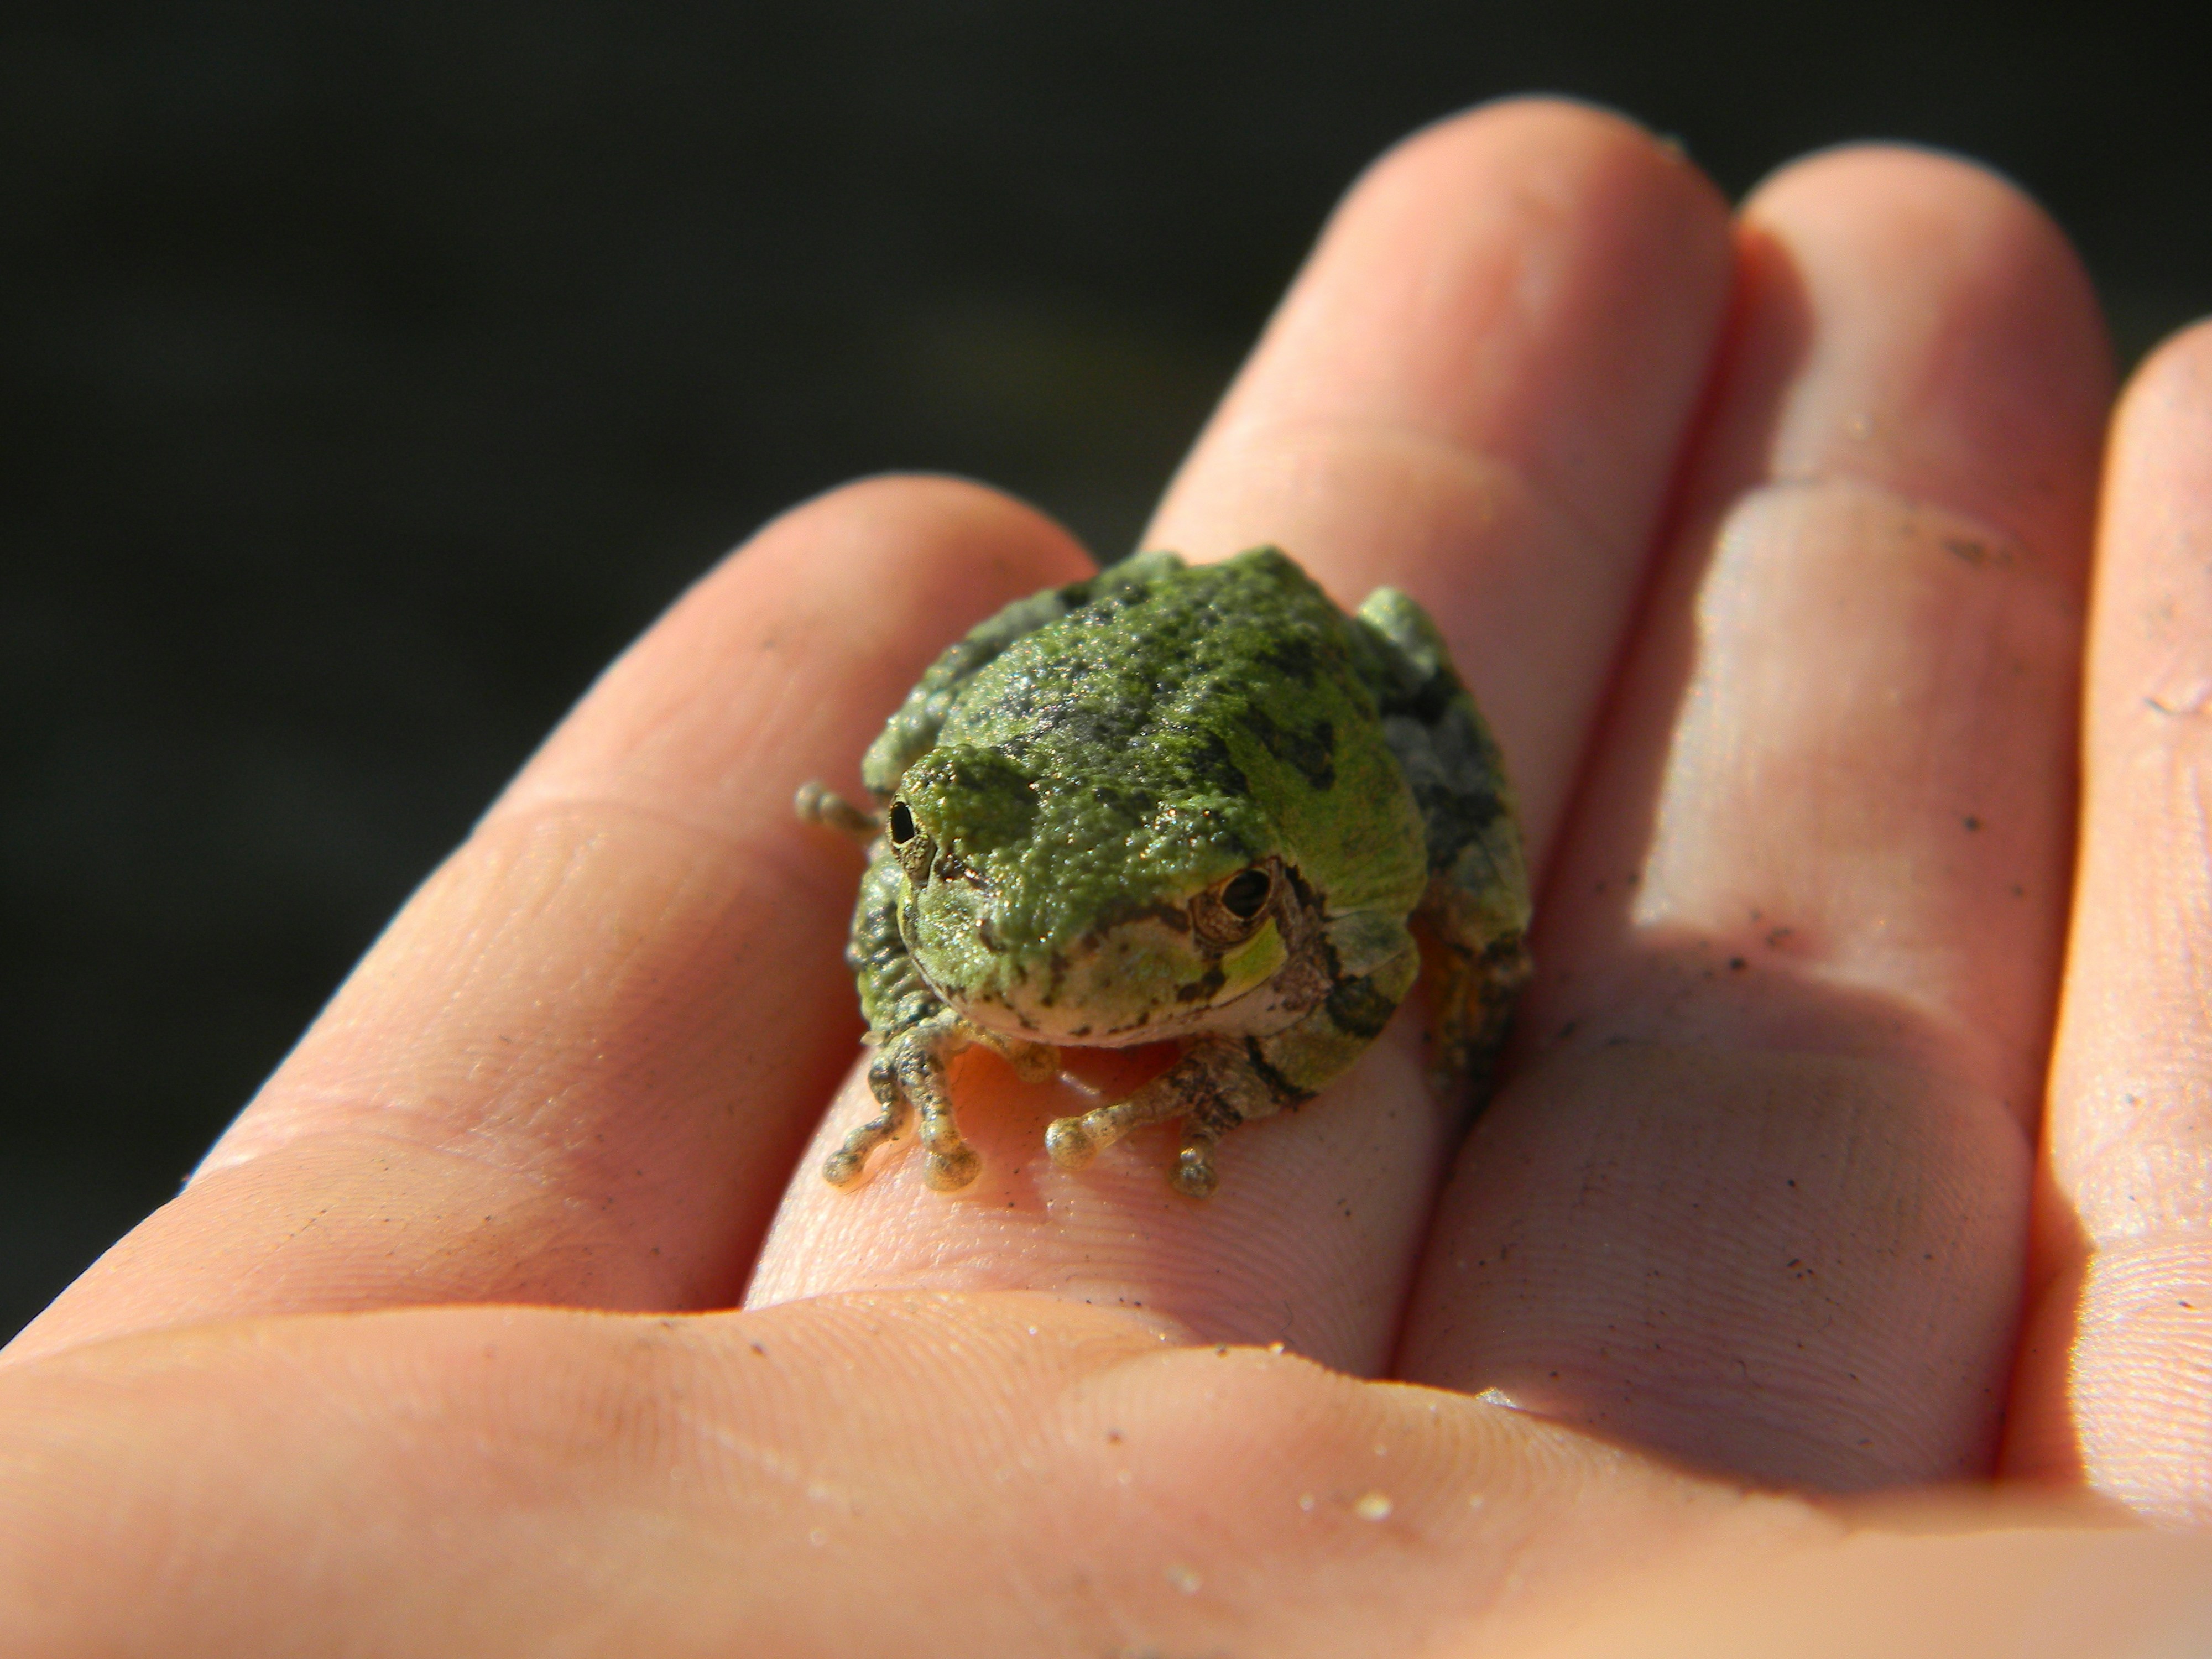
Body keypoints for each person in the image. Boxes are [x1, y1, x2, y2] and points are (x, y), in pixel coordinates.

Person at [1, 98, 2205, 1653]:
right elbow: (910, 905)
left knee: (1443, 873)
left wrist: (1246, 1065)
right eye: (1005, 939)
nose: (1091, 980)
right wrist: (916, 1011)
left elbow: (1337, 962)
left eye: (1178, 934)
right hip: (1054, 721)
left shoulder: (1266, 901)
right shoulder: (955, 888)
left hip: (1277, 707)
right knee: (939, 776)